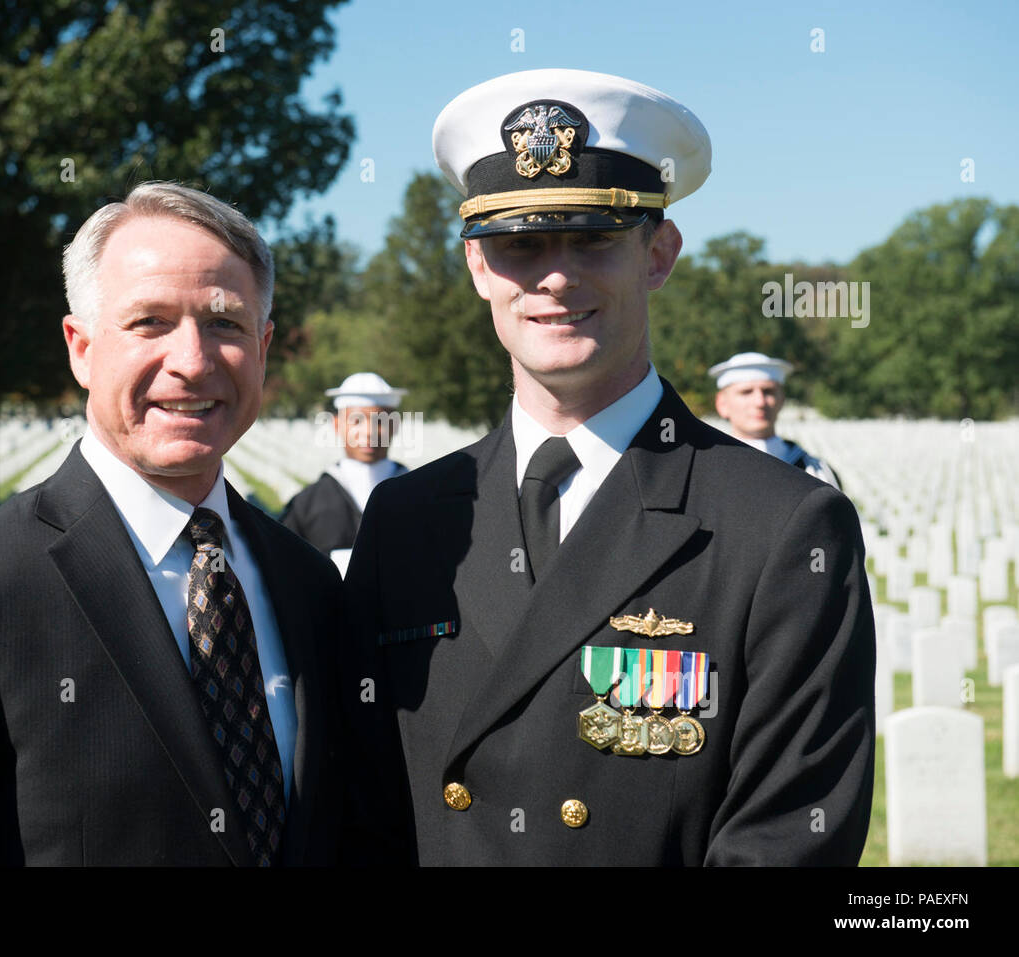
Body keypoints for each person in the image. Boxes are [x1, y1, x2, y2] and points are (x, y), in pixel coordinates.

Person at [343, 69, 875, 866]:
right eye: (521, 244)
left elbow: (788, 838)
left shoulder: (781, 526)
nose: (556, 277)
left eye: (594, 238)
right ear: (478, 266)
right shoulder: (406, 519)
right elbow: (356, 812)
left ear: (658, 253)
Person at [0, 183, 345, 866]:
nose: (192, 360)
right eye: (150, 322)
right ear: (81, 347)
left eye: (225, 324)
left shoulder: (309, 584)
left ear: (263, 347)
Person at [280, 372, 409, 572]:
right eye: (356, 421)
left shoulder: (421, 497)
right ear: (337, 424)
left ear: (395, 425)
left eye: (380, 421)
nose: (369, 432)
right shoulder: (306, 504)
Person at [708, 351, 842, 489]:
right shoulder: (709, 470)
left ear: (782, 399)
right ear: (722, 403)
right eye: (746, 392)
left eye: (768, 391)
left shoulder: (816, 472)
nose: (760, 402)